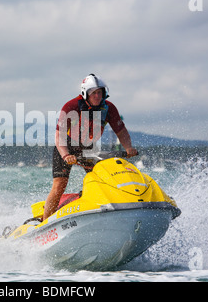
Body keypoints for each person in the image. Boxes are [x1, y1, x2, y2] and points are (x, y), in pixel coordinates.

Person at [42, 74, 138, 221]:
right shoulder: (71, 106)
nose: (97, 96)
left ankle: (103, 209)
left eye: (100, 92)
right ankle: (45, 221)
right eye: (94, 93)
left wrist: (129, 147)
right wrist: (66, 155)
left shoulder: (109, 108)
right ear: (85, 93)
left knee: (101, 178)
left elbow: (121, 131)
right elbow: (59, 135)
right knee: (59, 185)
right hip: (66, 147)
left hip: (89, 149)